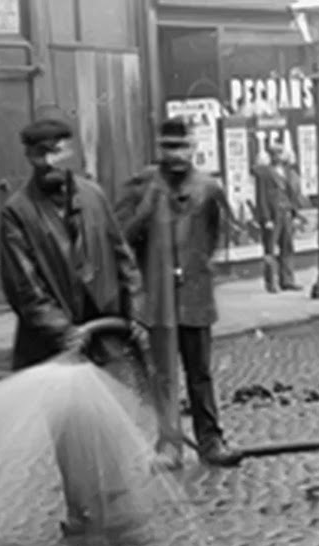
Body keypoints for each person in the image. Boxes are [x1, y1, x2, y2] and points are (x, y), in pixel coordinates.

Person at [0, 114, 149, 535]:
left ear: (70, 151)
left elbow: (123, 259)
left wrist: (134, 313)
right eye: (37, 154)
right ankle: (83, 513)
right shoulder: (17, 212)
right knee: (73, 434)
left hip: (107, 337)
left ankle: (119, 506)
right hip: (56, 346)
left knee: (112, 419)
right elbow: (24, 287)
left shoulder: (94, 196)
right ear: (28, 157)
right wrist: (62, 330)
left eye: (54, 151)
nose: (46, 162)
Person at [115, 116, 242, 471]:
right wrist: (146, 207)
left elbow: (215, 235)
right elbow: (120, 237)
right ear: (158, 148)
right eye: (168, 147)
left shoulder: (208, 188)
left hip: (195, 295)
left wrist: (197, 267)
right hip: (158, 298)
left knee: (200, 373)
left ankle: (210, 440)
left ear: (193, 147)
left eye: (182, 146)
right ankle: (169, 445)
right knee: (164, 375)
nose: (175, 155)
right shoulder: (140, 186)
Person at [251, 139, 305, 293]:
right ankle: (271, 283)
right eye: (275, 153)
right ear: (271, 155)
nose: (279, 156)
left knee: (287, 247)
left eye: (281, 153)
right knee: (270, 249)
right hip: (273, 216)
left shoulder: (288, 172)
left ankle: (288, 280)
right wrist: (266, 218)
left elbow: (291, 194)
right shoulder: (265, 173)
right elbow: (261, 197)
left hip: (286, 213)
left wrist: (294, 213)